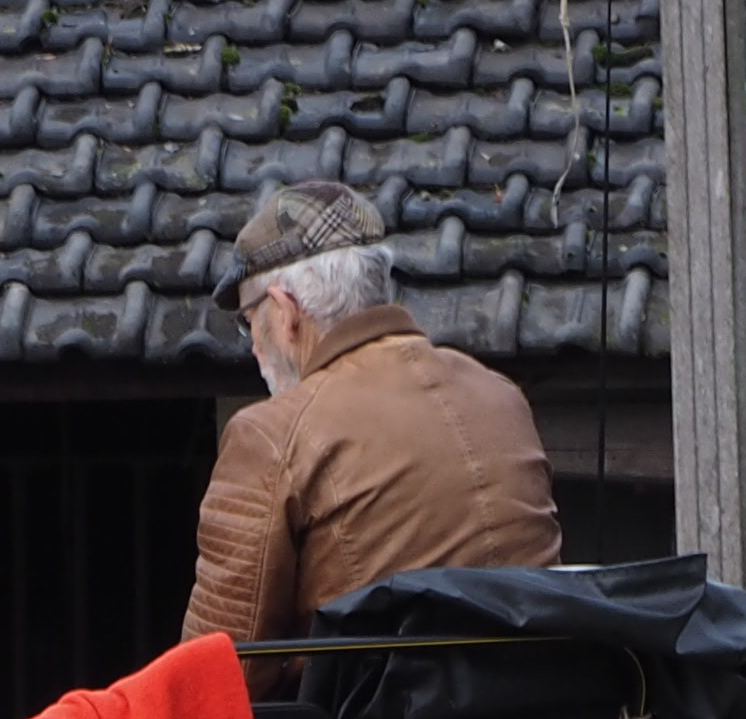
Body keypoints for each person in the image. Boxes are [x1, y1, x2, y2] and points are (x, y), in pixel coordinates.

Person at [180, 179, 561, 642]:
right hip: (538, 707)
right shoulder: (501, 397)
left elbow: (220, 669)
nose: (254, 345)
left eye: (248, 322)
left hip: (375, 713)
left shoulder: (271, 435)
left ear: (284, 312)